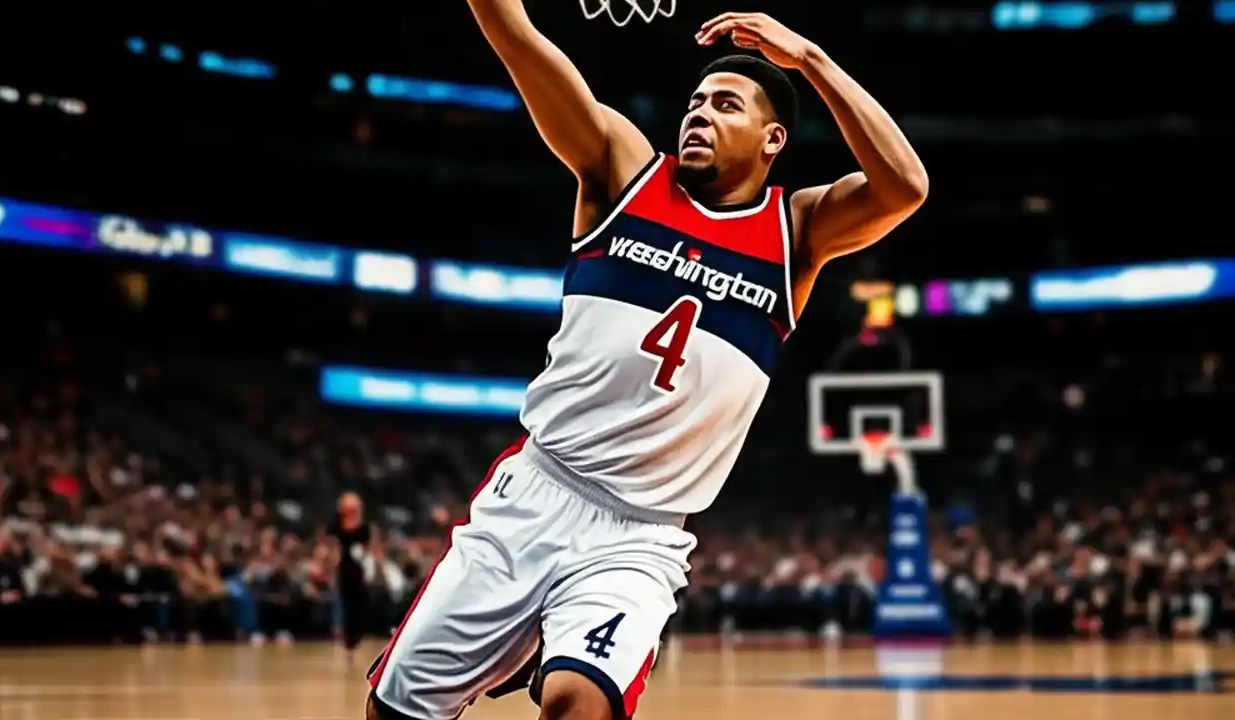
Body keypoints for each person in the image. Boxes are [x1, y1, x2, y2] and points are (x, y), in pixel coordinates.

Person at [365, 5, 927, 720]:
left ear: (772, 139)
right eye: (695, 103)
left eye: (726, 105)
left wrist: (809, 58)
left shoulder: (796, 232)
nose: (699, 115)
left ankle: (559, 651)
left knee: (581, 708)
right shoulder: (623, 169)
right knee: (396, 713)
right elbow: (516, 36)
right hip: (538, 494)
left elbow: (905, 187)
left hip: (643, 534)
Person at [329, 491, 371, 654]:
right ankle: (343, 636)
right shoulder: (336, 525)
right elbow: (331, 544)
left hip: (357, 570)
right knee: (344, 602)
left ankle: (357, 637)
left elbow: (366, 548)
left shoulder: (363, 527)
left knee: (357, 604)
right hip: (342, 569)